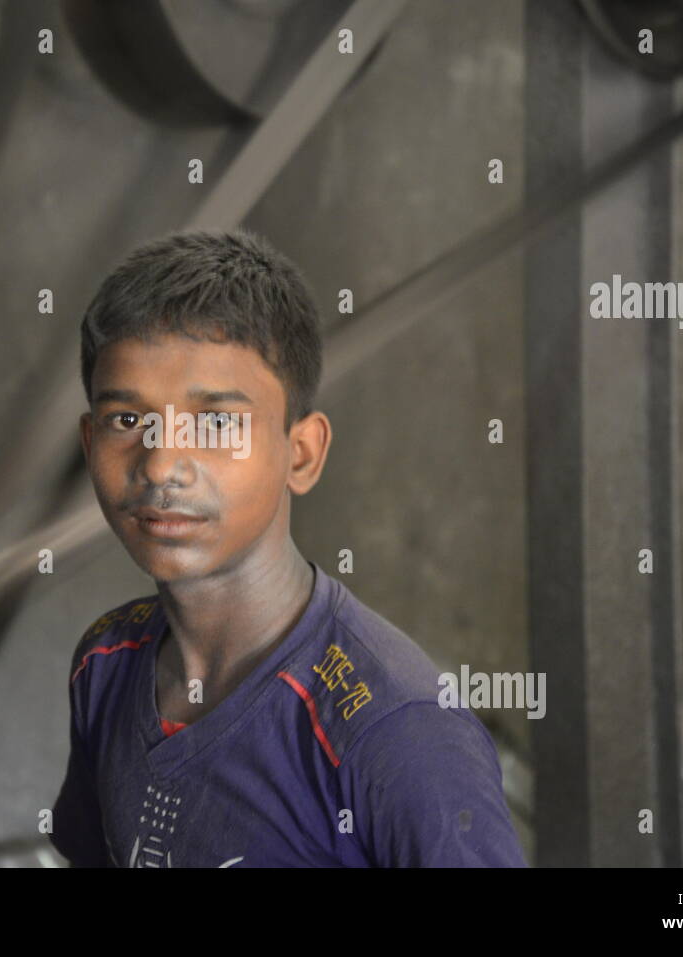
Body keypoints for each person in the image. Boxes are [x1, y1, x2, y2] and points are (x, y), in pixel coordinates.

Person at [50, 227, 527, 867]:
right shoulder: (106, 663)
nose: (162, 464)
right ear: (89, 443)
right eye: (128, 420)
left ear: (301, 454)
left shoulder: (397, 731)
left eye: (216, 422)